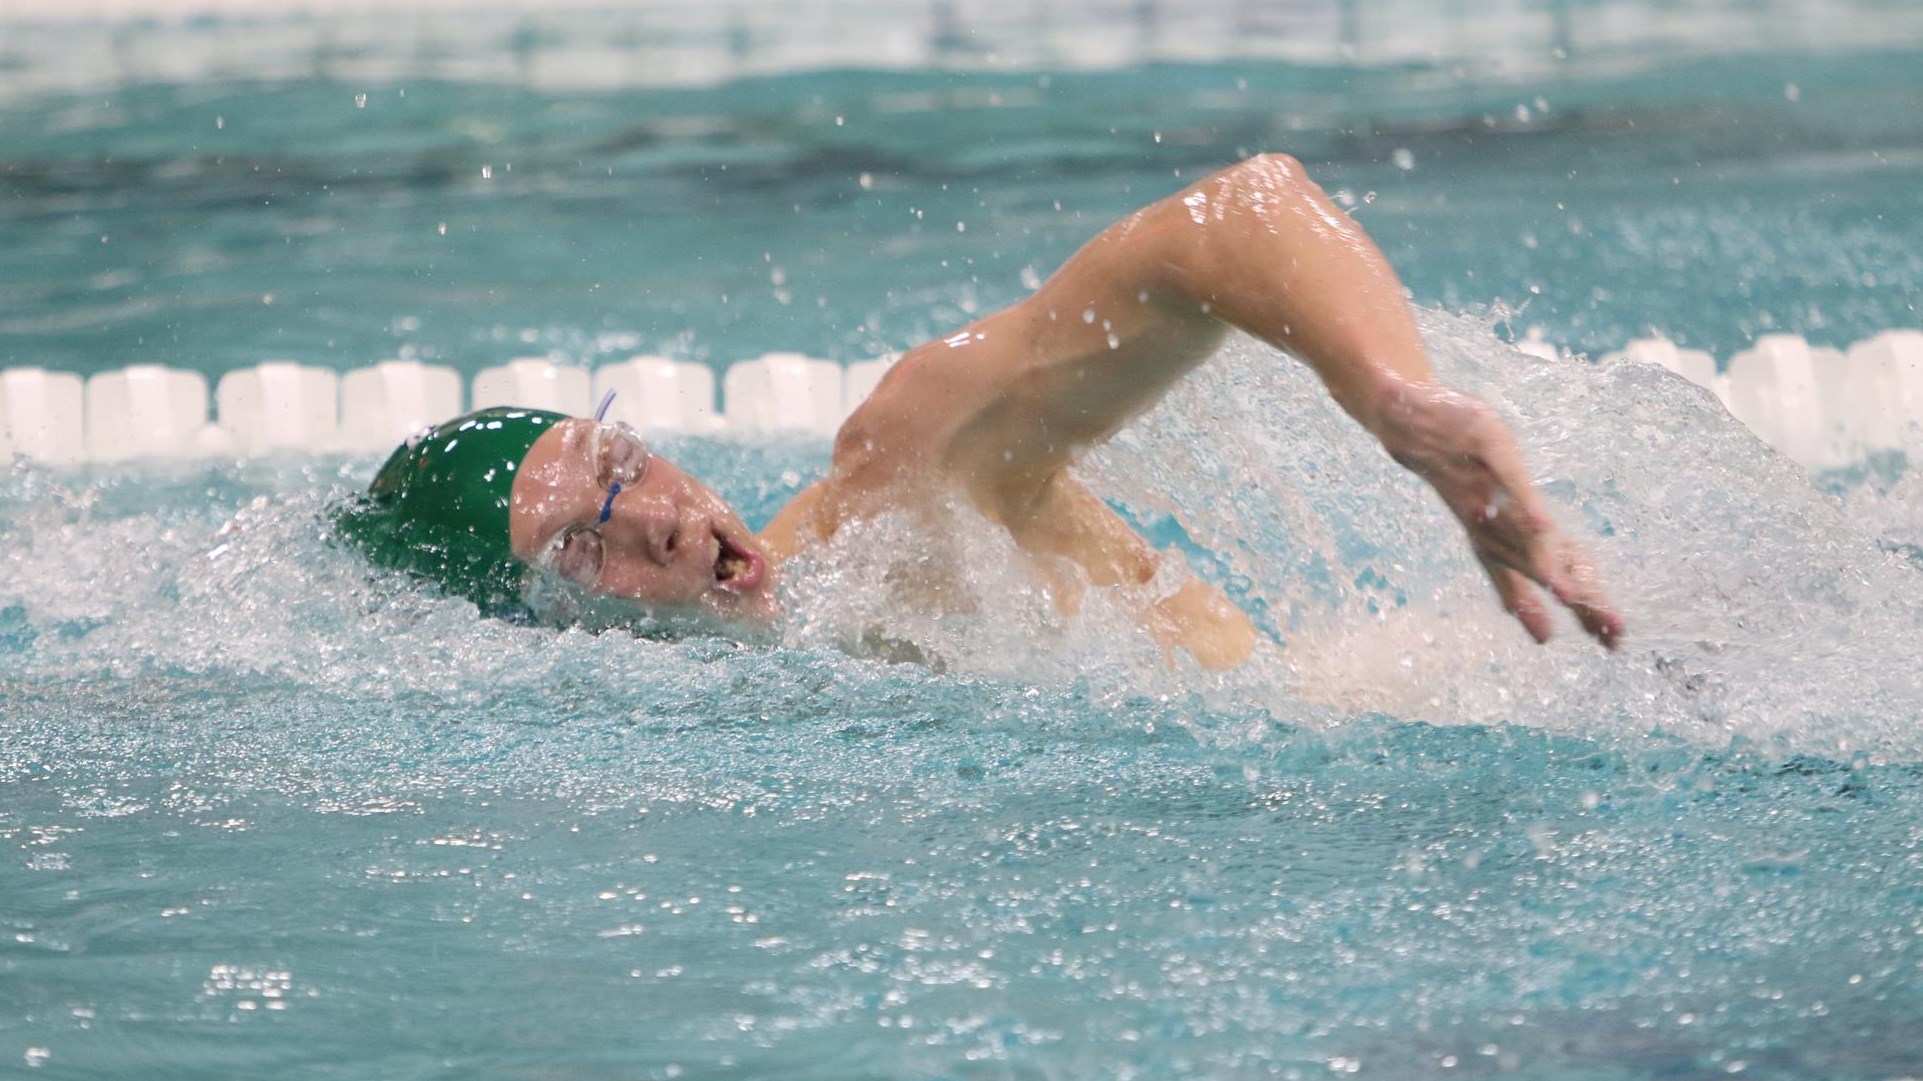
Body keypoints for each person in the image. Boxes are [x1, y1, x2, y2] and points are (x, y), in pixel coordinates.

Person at [337, 154, 1624, 670]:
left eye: (627, 466)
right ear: (531, 637)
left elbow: (1238, 213)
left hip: (1533, 664)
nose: (662, 526)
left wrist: (1396, 400)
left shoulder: (890, 495)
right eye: (583, 546)